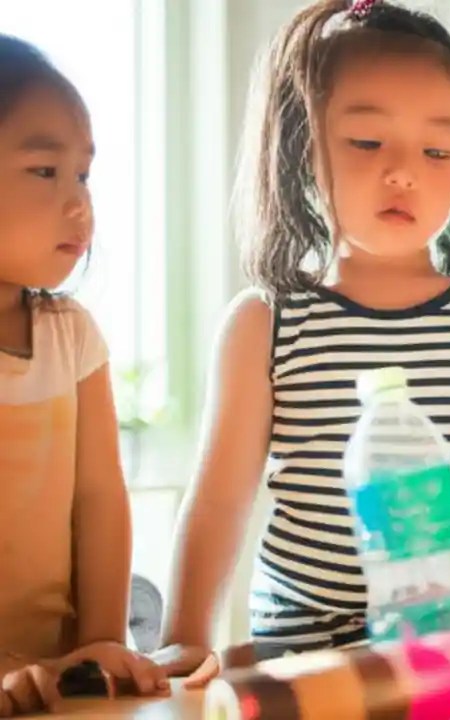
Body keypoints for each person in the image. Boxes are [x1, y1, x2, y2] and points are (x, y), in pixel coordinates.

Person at [152, 0, 450, 684]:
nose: (403, 171)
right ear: (300, 147)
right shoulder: (266, 322)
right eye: (367, 142)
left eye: (437, 151)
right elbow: (219, 501)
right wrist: (184, 639)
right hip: (305, 659)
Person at [0, 34, 167, 716]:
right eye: (45, 171)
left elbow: (99, 496)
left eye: (84, 175)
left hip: (57, 683)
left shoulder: (72, 336)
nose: (79, 204)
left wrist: (101, 640)